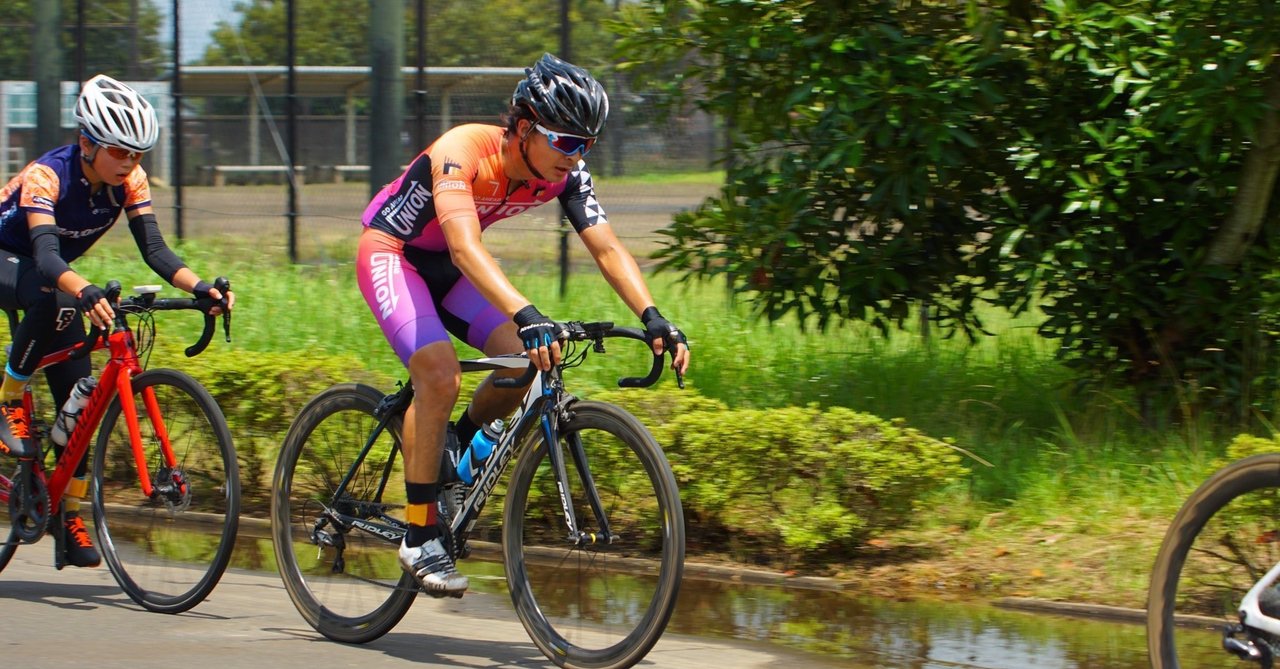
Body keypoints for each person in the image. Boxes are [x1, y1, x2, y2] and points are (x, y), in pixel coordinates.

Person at [356, 53, 690, 596]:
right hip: (394, 253)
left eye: (586, 144)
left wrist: (652, 316)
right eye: (566, 141)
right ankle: (418, 536)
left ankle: (454, 448)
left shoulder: (567, 173)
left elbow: (606, 247)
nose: (575, 156)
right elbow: (464, 248)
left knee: (527, 359)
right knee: (439, 375)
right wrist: (527, 312)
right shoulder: (463, 151)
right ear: (526, 127)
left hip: (449, 268)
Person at [0, 74, 233, 568]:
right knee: (51, 291)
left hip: (49, 275)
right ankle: (9, 397)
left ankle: (68, 515)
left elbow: (155, 250)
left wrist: (199, 288)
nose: (129, 162)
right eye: (119, 151)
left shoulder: (130, 181)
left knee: (80, 403)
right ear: (86, 142)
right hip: (12, 260)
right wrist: (83, 289)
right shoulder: (47, 176)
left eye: (138, 154)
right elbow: (46, 255)